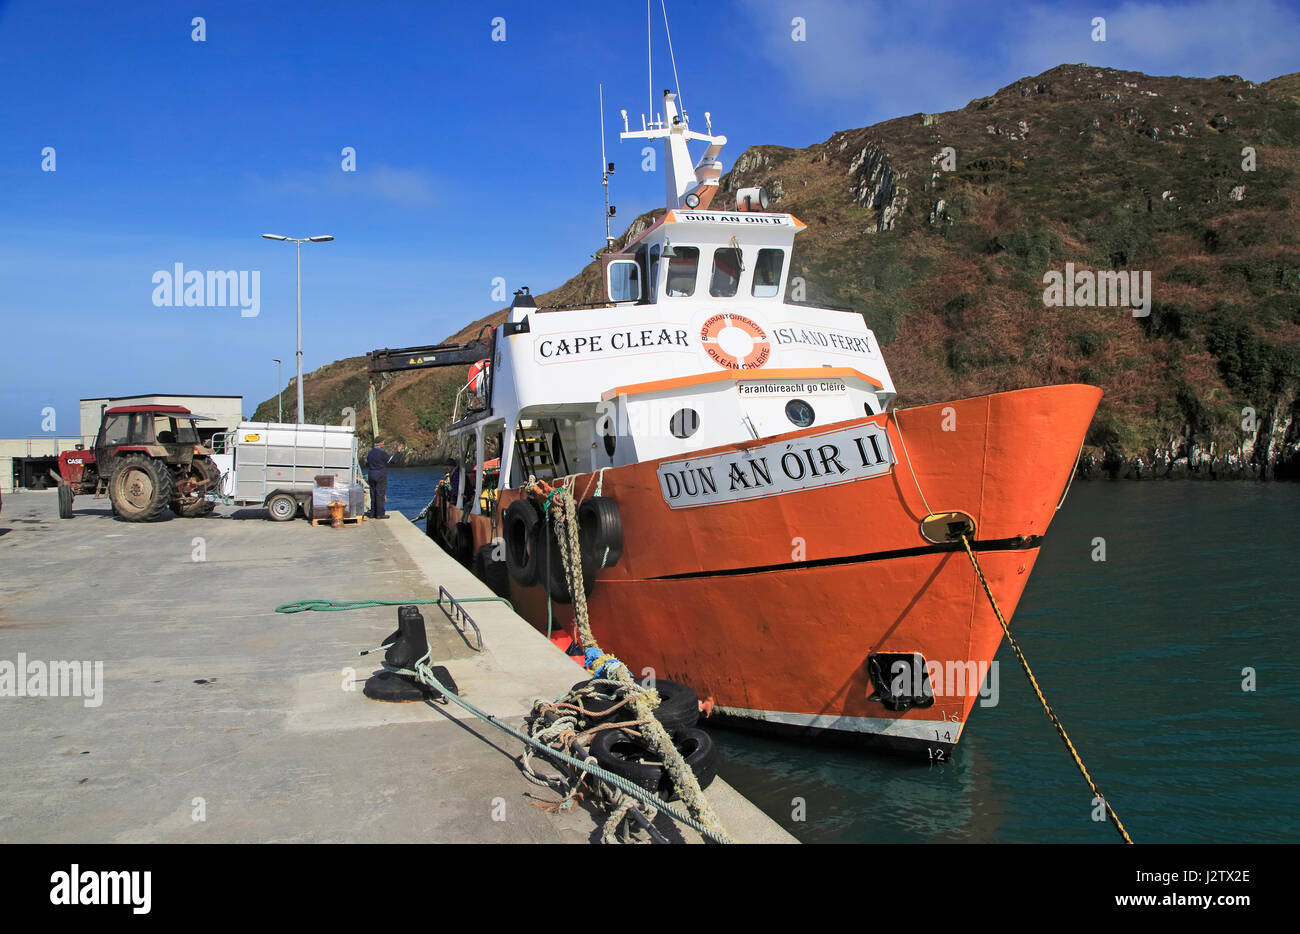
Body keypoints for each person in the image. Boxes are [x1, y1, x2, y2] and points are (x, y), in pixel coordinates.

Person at [365, 438, 405, 519]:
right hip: (380, 475)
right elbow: (393, 461)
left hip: (371, 474)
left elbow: (366, 463)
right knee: (380, 493)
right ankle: (380, 513)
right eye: (383, 442)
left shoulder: (370, 452)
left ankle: (373, 513)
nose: (383, 444)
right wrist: (398, 452)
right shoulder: (381, 453)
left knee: (373, 494)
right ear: (380, 443)